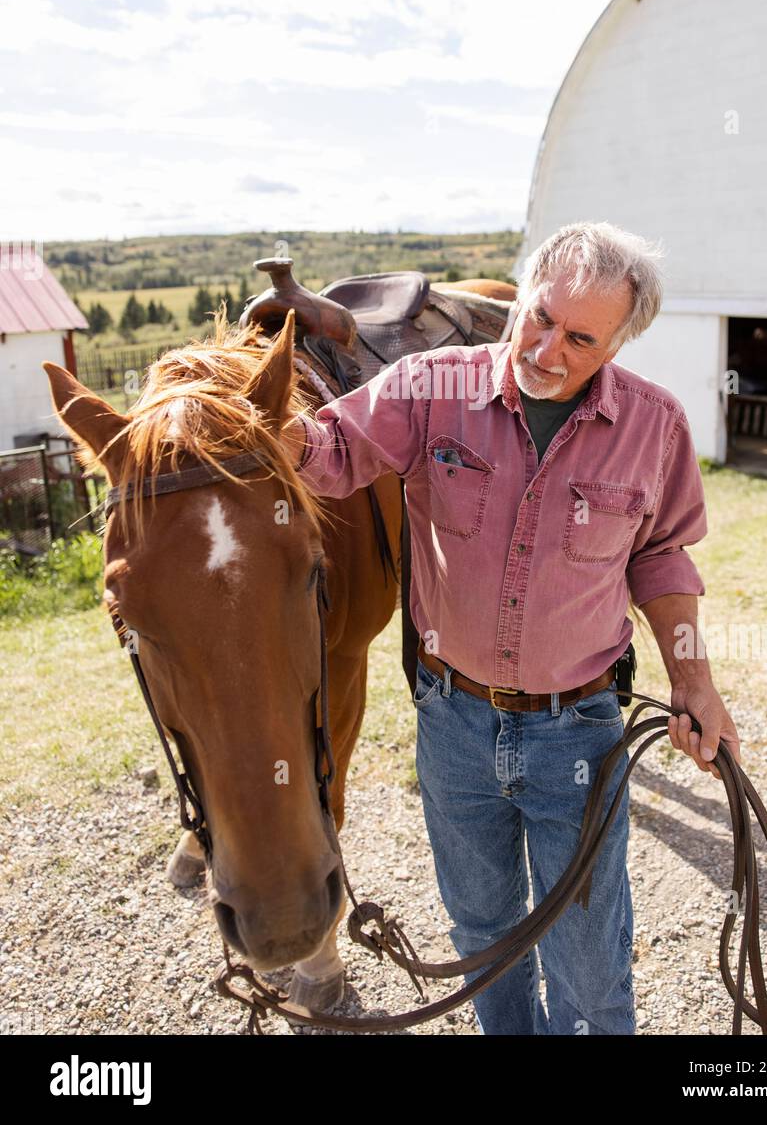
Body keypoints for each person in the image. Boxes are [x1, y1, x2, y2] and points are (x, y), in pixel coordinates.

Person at [287, 220, 742, 1035]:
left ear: (615, 345)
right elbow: (330, 452)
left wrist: (694, 682)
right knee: (482, 936)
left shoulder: (654, 427)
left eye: (579, 337)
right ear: (521, 295)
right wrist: (258, 426)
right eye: (538, 317)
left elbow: (662, 557)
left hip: (579, 733)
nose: (546, 350)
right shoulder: (428, 389)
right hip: (452, 724)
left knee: (589, 958)